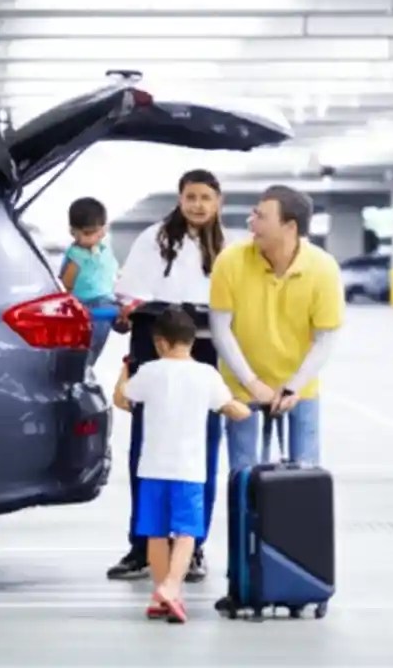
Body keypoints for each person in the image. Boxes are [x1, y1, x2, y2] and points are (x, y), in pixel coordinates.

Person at [106, 168, 226, 583]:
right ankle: (143, 546)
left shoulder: (228, 248)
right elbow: (128, 292)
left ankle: (193, 548)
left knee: (202, 448)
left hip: (205, 350)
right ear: (180, 198)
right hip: (153, 344)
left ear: (217, 203)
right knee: (147, 446)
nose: (197, 205)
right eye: (190, 196)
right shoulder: (154, 238)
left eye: (205, 198)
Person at [112, 307, 252, 623]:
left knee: (156, 534)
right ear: (191, 341)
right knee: (187, 532)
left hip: (152, 468)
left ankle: (160, 593)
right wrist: (246, 408)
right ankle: (172, 588)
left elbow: (122, 400)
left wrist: (125, 370)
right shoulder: (207, 375)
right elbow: (231, 408)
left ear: (160, 342)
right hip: (189, 470)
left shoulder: (148, 371)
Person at [207, 184, 345, 474]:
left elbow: (325, 337)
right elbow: (220, 329)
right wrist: (252, 382)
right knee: (243, 472)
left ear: (289, 226)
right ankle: (245, 520)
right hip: (243, 384)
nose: (251, 222)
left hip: (298, 386)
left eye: (261, 216)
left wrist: (294, 385)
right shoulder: (230, 260)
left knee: (305, 473)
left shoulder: (323, 268)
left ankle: (300, 522)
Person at [59, 197, 121, 364]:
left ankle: (88, 367)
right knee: (87, 348)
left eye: (100, 232)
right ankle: (83, 370)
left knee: (98, 344)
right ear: (73, 232)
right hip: (87, 307)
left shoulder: (103, 247)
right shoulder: (76, 256)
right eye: (88, 233)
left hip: (107, 302)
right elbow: (66, 284)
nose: (96, 236)